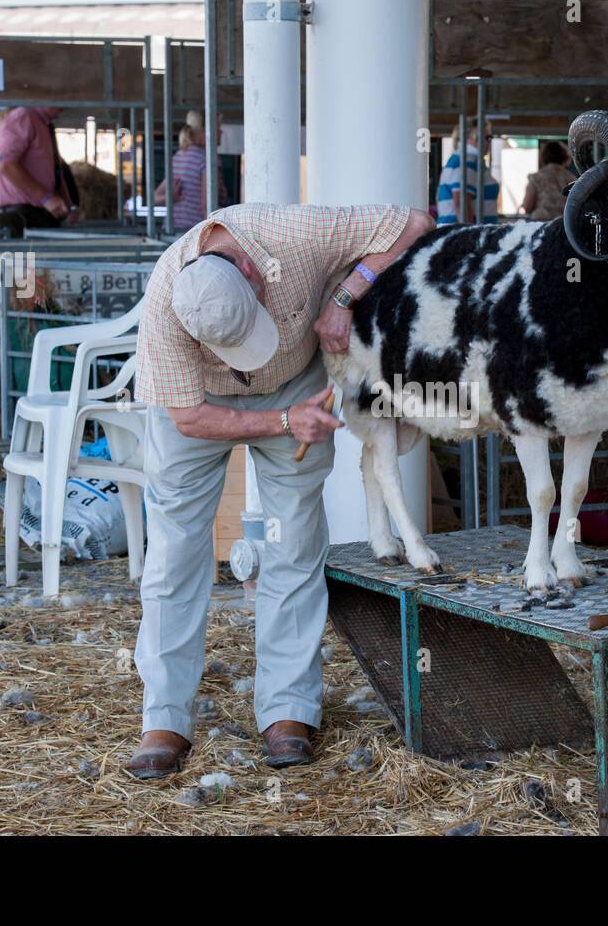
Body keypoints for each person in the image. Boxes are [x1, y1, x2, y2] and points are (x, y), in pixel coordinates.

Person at [128, 201, 435, 778]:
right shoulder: (165, 299)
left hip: (296, 378)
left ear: (249, 268)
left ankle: (288, 710)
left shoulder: (298, 232)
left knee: (292, 544)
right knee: (173, 553)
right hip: (202, 406)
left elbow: (416, 222)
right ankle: (164, 717)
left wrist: (347, 296)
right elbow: (188, 418)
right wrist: (284, 423)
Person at [0, 106, 71, 237]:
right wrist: (46, 197)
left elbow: (55, 170)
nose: (66, 105)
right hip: (19, 217)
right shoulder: (23, 117)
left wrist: (67, 204)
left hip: (36, 214)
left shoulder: (45, 124)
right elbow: (5, 165)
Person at [435, 118, 499, 224]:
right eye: (487, 138)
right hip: (461, 235)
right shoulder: (467, 159)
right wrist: (471, 236)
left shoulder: (463, 158)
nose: (489, 142)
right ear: (471, 138)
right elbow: (461, 202)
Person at [154, 115, 207, 230]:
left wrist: (171, 197)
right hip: (195, 231)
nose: (221, 132)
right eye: (218, 127)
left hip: (172, 228)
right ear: (205, 131)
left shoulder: (178, 156)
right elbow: (206, 206)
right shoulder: (207, 158)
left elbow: (155, 198)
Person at [521, 140, 575, 221]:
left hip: (541, 224)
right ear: (564, 157)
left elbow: (527, 206)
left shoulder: (536, 178)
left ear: (544, 156)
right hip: (563, 225)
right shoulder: (572, 179)